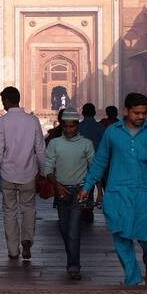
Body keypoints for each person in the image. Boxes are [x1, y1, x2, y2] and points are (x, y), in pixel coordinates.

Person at [79, 92, 147, 287]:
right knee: (121, 234)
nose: (140, 117)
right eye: (136, 113)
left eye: (144, 113)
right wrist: (87, 186)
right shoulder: (112, 132)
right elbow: (100, 161)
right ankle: (132, 277)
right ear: (126, 111)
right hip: (118, 192)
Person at [0, 85, 46, 261]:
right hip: (28, 172)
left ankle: (13, 250)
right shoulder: (32, 120)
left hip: (7, 173)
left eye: (3, 100)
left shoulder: (1, 122)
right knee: (29, 208)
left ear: (6, 100)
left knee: (9, 211)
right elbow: (40, 149)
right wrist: (43, 170)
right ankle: (27, 239)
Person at [44, 108, 95, 280]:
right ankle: (72, 258)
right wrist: (57, 186)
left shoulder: (86, 144)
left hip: (79, 191)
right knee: (64, 229)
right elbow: (47, 168)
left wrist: (96, 189)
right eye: (65, 126)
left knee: (73, 230)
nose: (68, 130)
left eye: (71, 127)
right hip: (61, 190)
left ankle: (73, 266)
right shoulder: (55, 143)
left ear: (77, 126)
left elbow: (93, 168)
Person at [78, 103, 105, 223]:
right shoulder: (100, 127)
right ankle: (88, 211)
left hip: (80, 162)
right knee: (92, 185)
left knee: (82, 185)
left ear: (83, 113)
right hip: (96, 161)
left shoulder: (78, 127)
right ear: (94, 113)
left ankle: (82, 210)